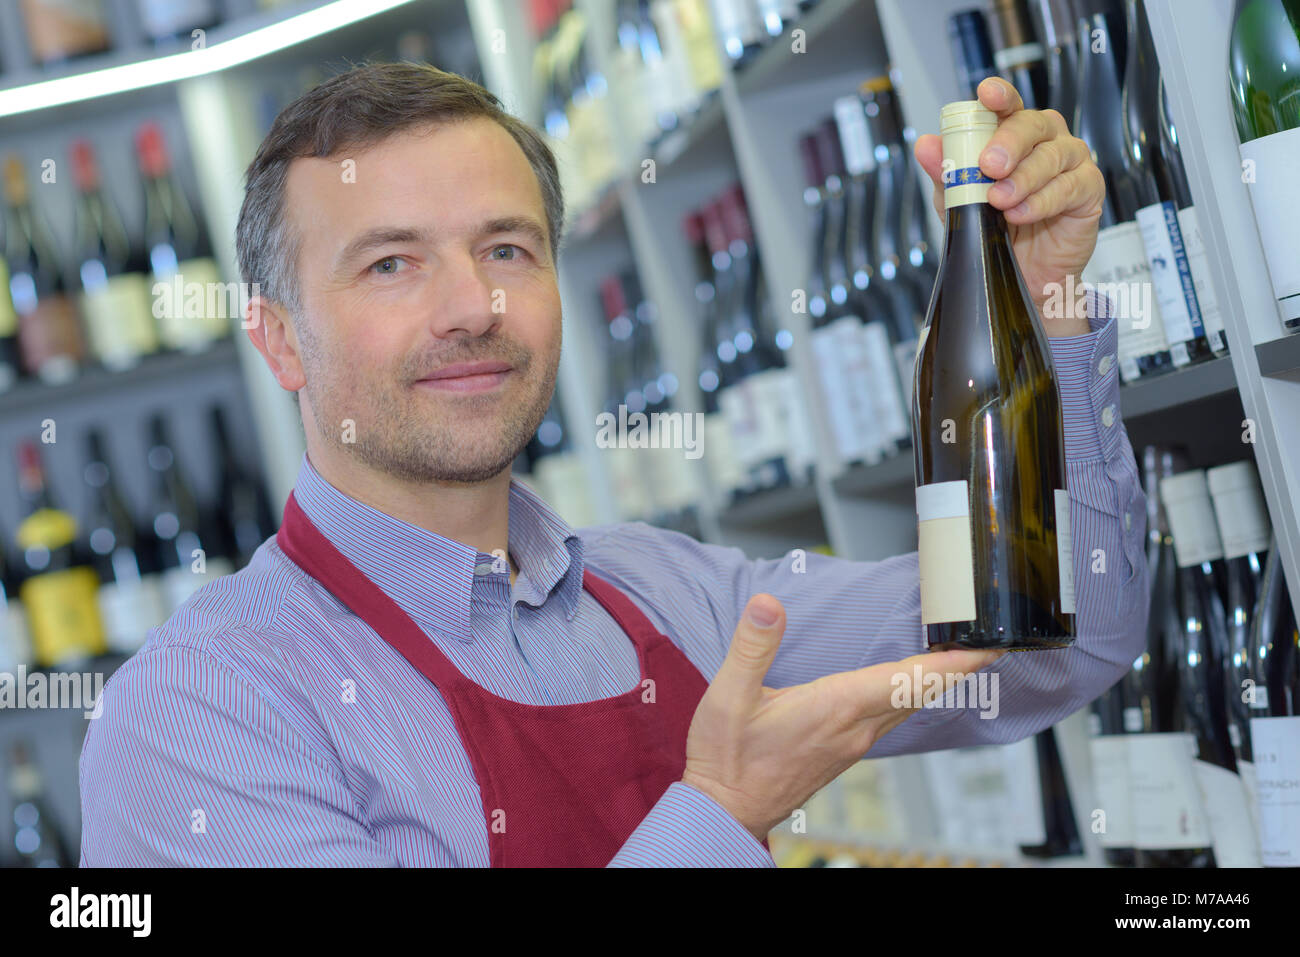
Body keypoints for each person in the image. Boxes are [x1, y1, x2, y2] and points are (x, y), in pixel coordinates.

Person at [79, 63, 1146, 866]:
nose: (471, 310)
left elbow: (1056, 641)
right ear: (276, 338)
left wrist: (1040, 302)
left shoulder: (671, 594)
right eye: (390, 264)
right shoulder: (202, 712)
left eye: (506, 250)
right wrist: (717, 817)